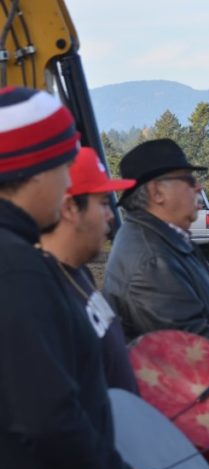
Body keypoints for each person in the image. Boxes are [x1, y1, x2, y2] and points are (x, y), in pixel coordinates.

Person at [0, 87, 147, 469]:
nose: (67, 181)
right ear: (34, 170)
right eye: (63, 167)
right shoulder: (17, 268)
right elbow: (47, 418)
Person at [103, 138, 209, 381]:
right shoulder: (152, 261)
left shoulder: (164, 239)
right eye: (188, 179)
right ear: (157, 192)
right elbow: (193, 343)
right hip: (187, 410)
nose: (198, 187)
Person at [40, 147, 139, 394]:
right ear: (70, 208)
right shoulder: (40, 294)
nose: (110, 217)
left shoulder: (79, 273)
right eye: (104, 203)